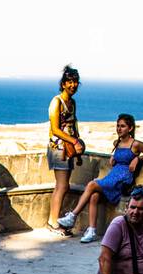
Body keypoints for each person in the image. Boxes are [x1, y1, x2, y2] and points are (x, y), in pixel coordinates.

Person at [57, 114, 143, 243]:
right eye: (118, 126)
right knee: (94, 196)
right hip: (113, 176)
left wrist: (137, 158)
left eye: (123, 126)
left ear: (130, 128)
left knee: (92, 184)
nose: (119, 129)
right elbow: (119, 158)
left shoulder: (136, 144)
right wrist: (114, 158)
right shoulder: (117, 143)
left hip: (123, 179)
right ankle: (92, 231)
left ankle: (73, 216)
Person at [44, 65, 84, 236]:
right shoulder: (56, 102)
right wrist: (74, 141)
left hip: (68, 149)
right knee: (62, 186)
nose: (73, 85)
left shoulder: (72, 102)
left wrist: (78, 149)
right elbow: (55, 129)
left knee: (63, 186)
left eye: (75, 82)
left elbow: (72, 125)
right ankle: (53, 222)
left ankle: (53, 220)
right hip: (58, 148)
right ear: (63, 83)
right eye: (70, 82)